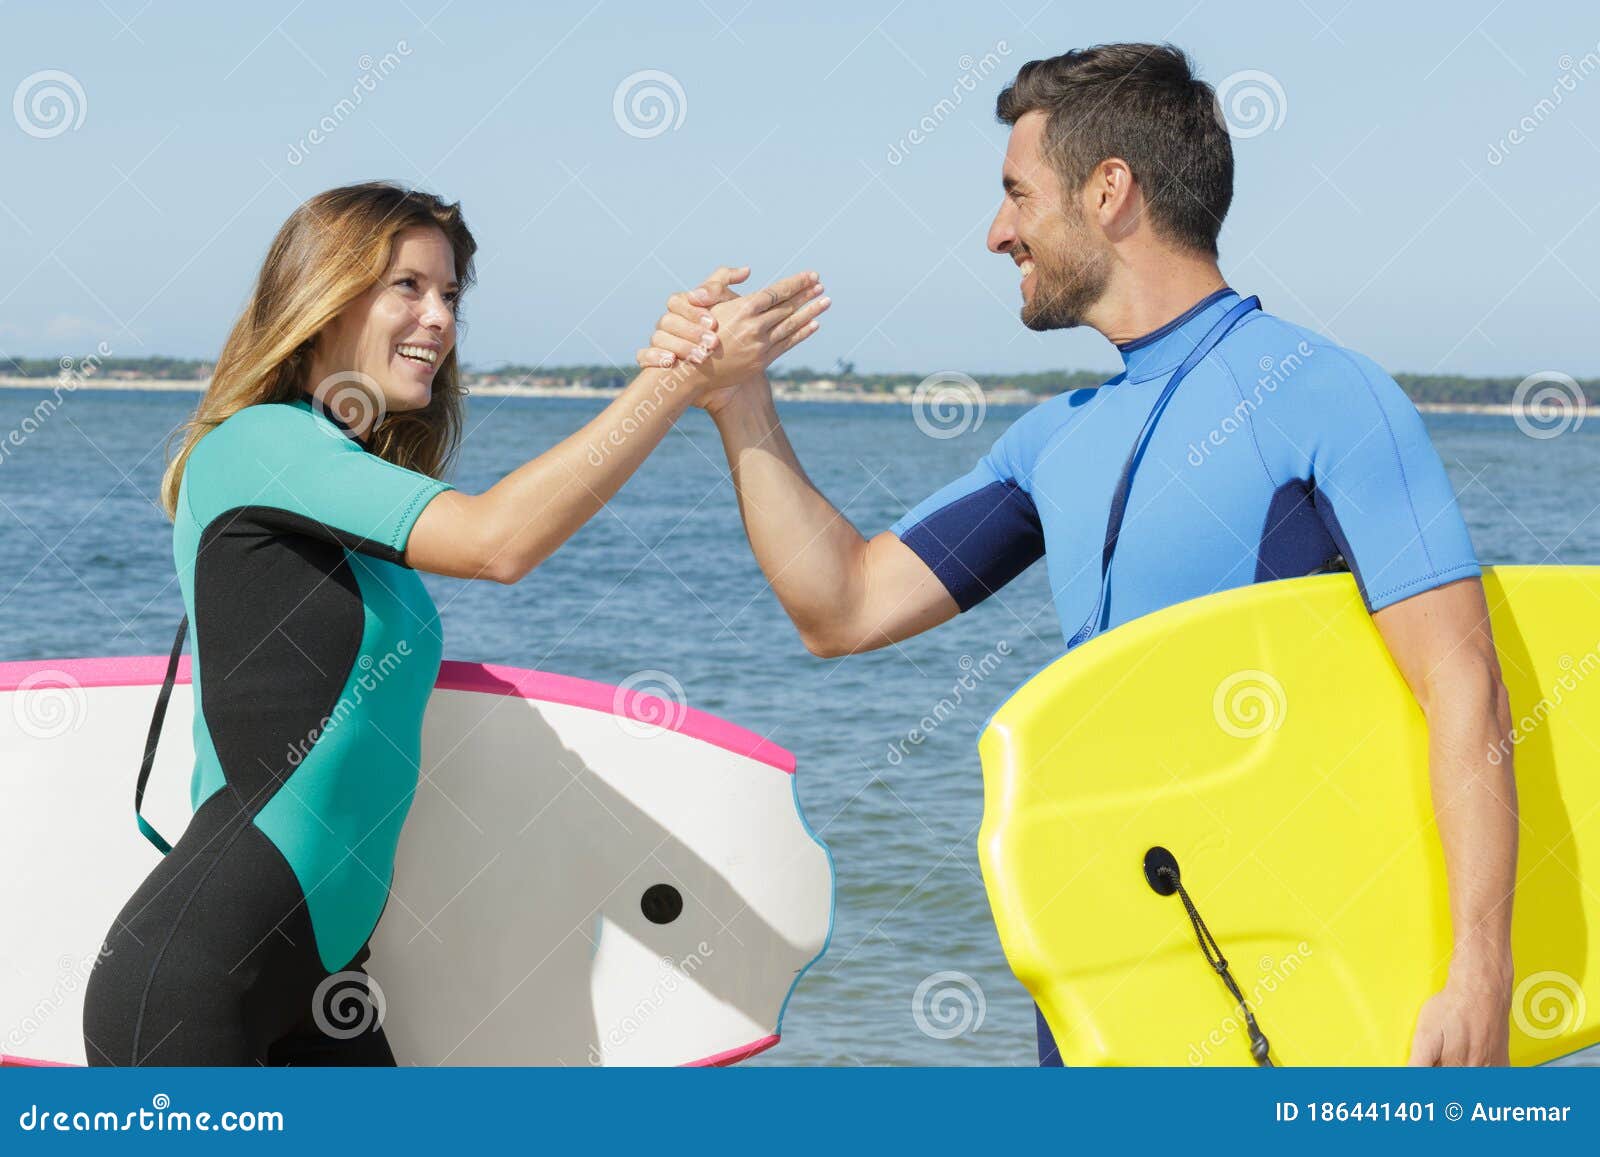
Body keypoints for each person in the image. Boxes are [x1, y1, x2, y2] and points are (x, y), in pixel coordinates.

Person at [639, 44, 1518, 1067]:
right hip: (1110, 977)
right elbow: (841, 605)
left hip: (1301, 983)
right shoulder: (1057, 436)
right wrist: (737, 402)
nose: (995, 231)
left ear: (1109, 191)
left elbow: (1464, 685)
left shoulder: (1326, 397)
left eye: (1016, 194)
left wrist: (1480, 973)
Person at [81, 180, 828, 1066]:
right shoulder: (258, 444)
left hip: (325, 985)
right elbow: (497, 542)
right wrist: (678, 379)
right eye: (407, 286)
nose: (437, 318)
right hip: (192, 984)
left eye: (450, 295)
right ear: (320, 298)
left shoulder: (340, 487)